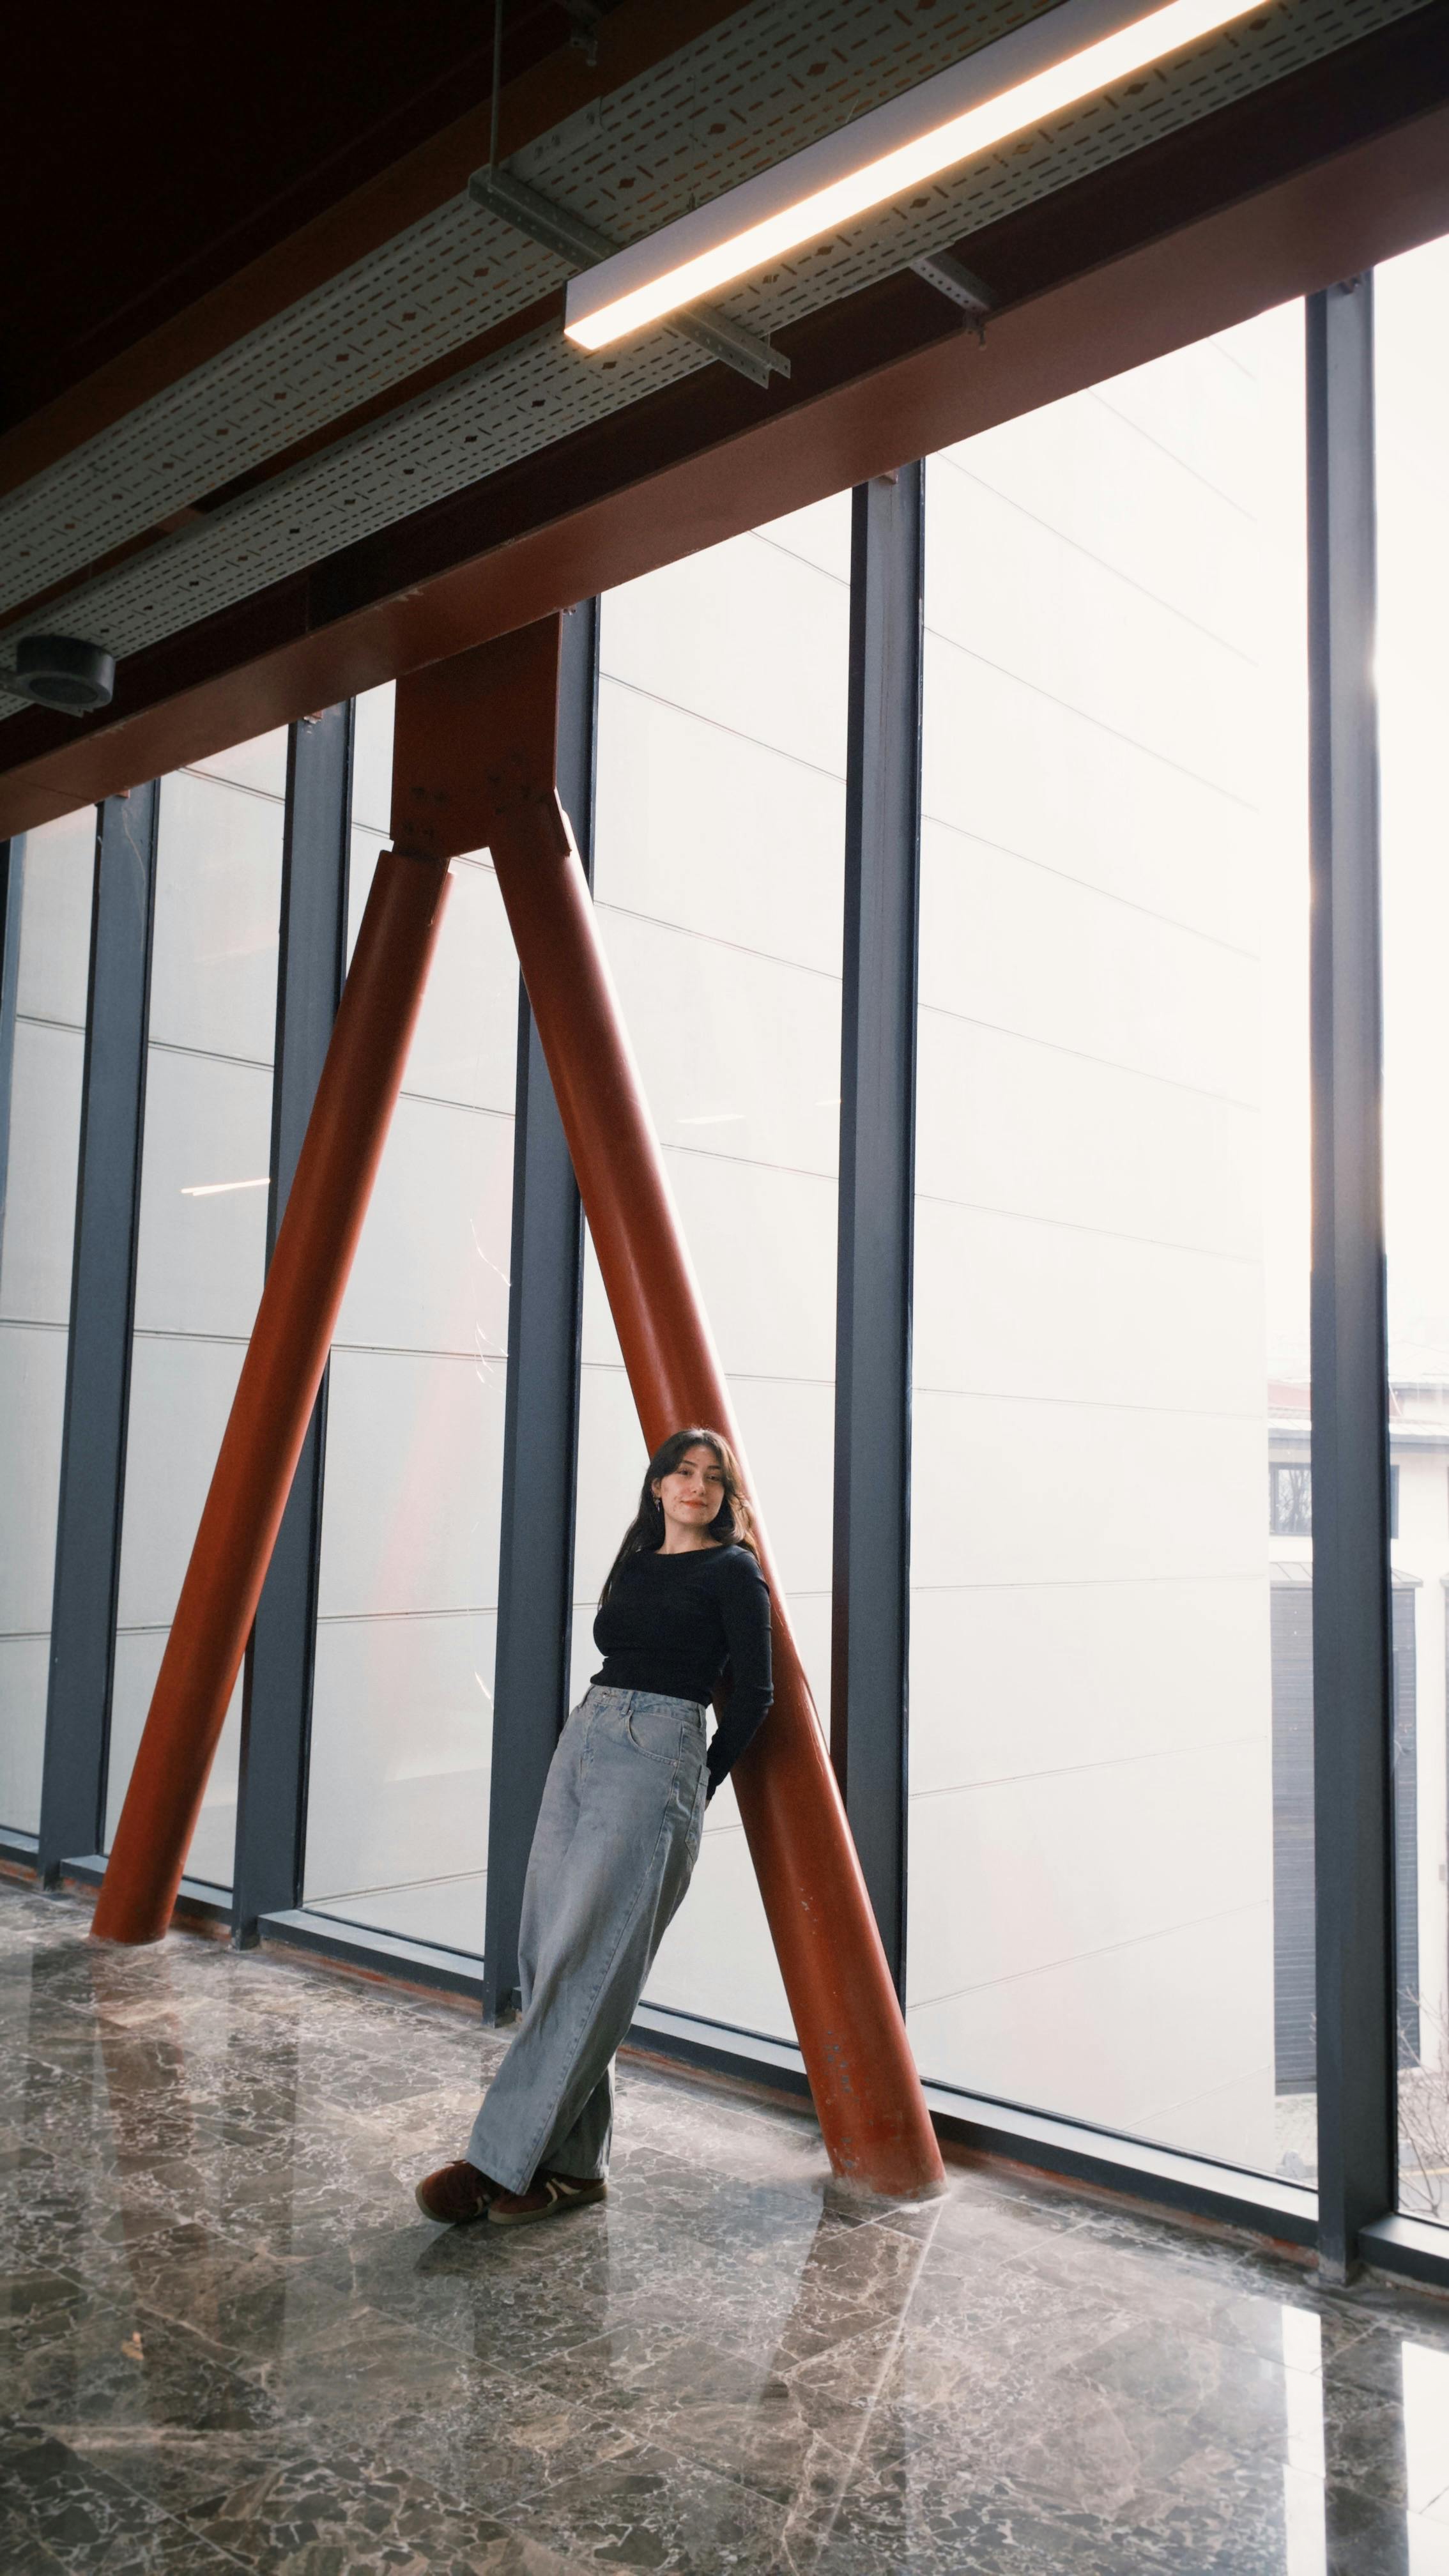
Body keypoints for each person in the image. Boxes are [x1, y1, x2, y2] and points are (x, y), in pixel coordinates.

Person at [415, 1426, 773, 2228]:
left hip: (659, 1752)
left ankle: (493, 2164)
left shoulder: (734, 1570)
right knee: (550, 1952)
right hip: (585, 1736)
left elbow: (755, 1695)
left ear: (725, 1495)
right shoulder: (636, 1563)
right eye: (683, 1471)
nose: (697, 1486)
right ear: (658, 1484)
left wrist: (698, 1782)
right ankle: (576, 2170)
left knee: (586, 1955)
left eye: (713, 1477)